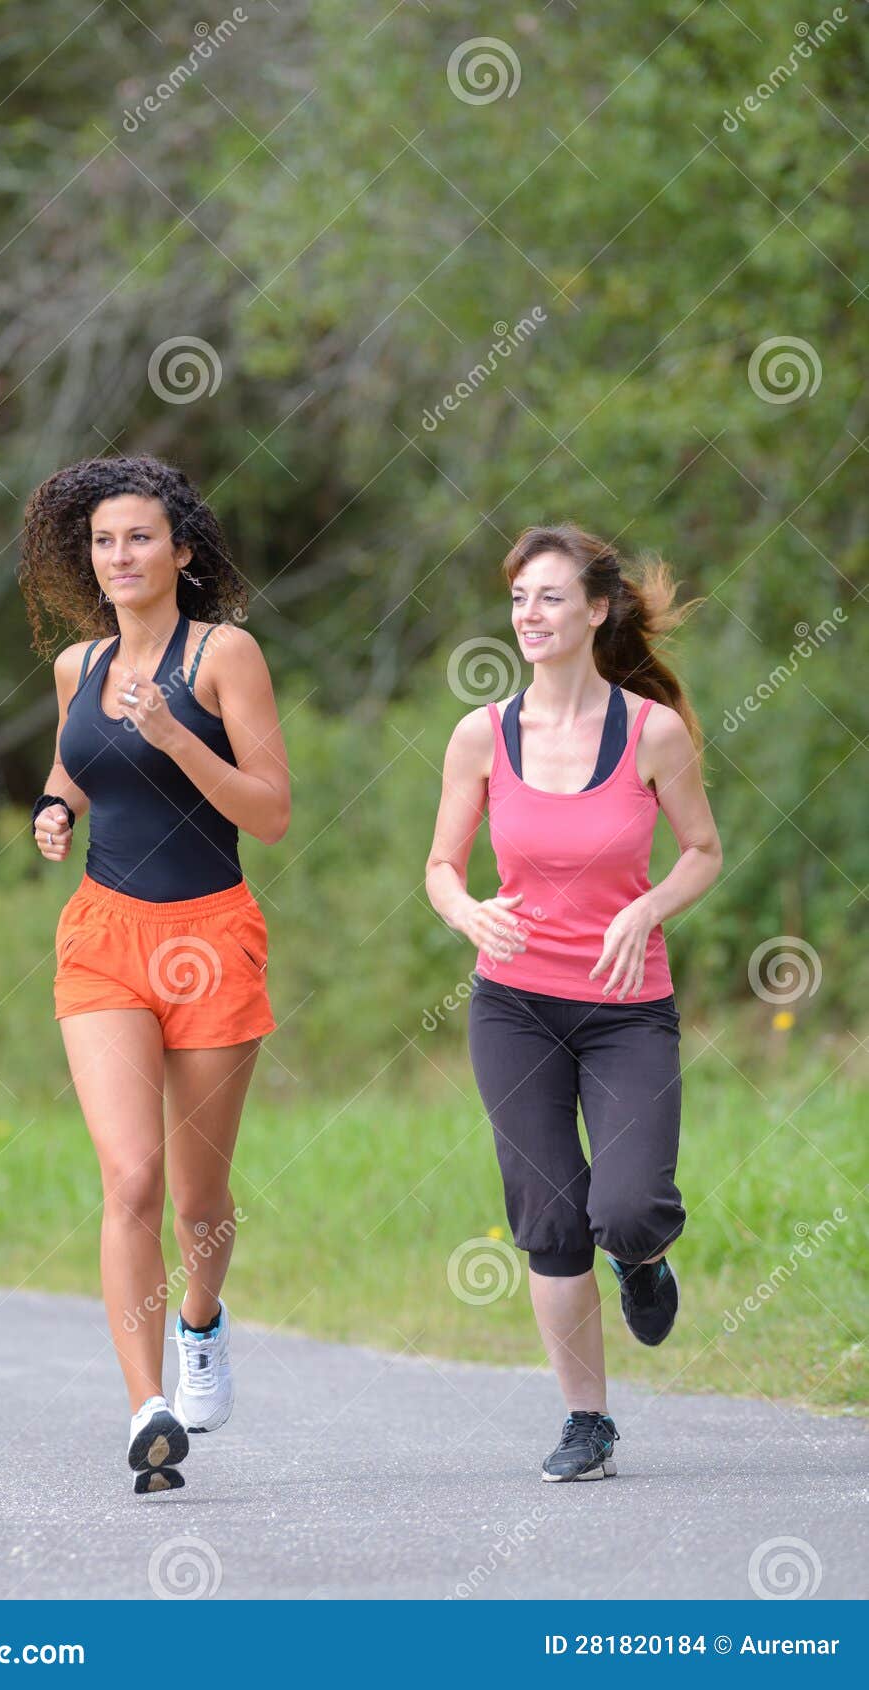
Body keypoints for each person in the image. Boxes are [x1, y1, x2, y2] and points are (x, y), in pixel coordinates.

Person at [425, 522, 722, 1482]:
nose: (530, 615)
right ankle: (586, 1421)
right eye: (519, 599)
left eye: (550, 597)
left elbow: (703, 854)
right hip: (513, 1007)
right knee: (551, 1217)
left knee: (628, 1206)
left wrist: (649, 904)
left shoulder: (653, 731)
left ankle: (641, 1258)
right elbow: (438, 866)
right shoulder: (482, 734)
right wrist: (469, 912)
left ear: (597, 610)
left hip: (627, 1007)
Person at [17, 455, 289, 1493]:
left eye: (138, 536)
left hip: (213, 934)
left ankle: (202, 1324)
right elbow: (75, 762)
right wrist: (54, 808)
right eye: (102, 540)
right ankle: (147, 1409)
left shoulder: (225, 655)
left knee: (198, 1193)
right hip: (104, 939)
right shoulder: (77, 667)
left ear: (180, 549)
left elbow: (269, 811)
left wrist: (175, 734)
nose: (119, 555)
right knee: (129, 1175)